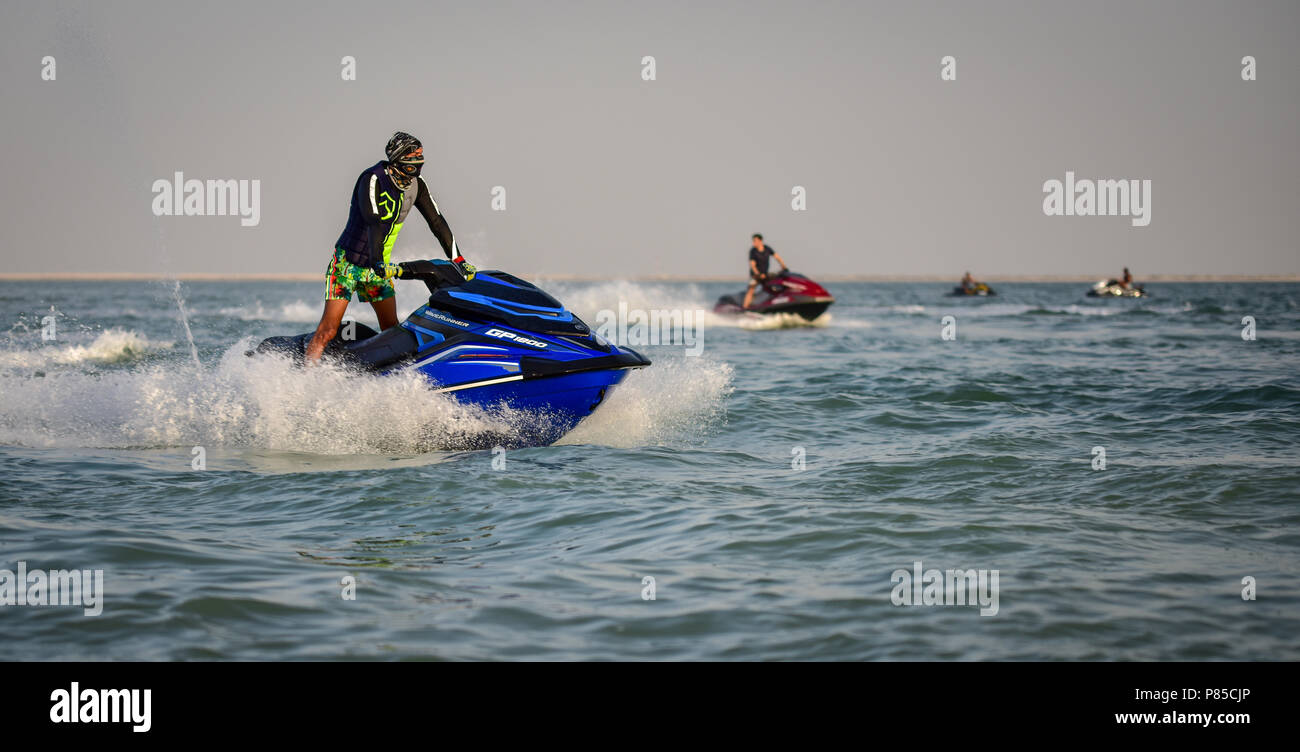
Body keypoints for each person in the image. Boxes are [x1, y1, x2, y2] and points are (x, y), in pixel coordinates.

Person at [306, 132, 475, 362]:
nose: (419, 161)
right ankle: (307, 375)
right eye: (413, 157)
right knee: (328, 330)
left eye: (420, 156)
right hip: (347, 266)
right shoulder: (372, 179)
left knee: (391, 330)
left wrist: (458, 260)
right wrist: (377, 261)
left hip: (378, 270)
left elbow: (436, 222)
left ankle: (393, 378)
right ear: (398, 158)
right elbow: (373, 221)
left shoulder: (417, 186)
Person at [742, 234, 789, 309]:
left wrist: (783, 266)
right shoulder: (753, 251)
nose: (753, 243)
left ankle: (772, 304)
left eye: (755, 241)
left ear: (760, 241)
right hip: (755, 275)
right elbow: (752, 265)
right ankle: (745, 307)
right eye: (753, 241)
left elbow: (777, 257)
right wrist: (758, 274)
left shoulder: (767, 248)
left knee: (772, 287)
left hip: (765, 275)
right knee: (751, 289)